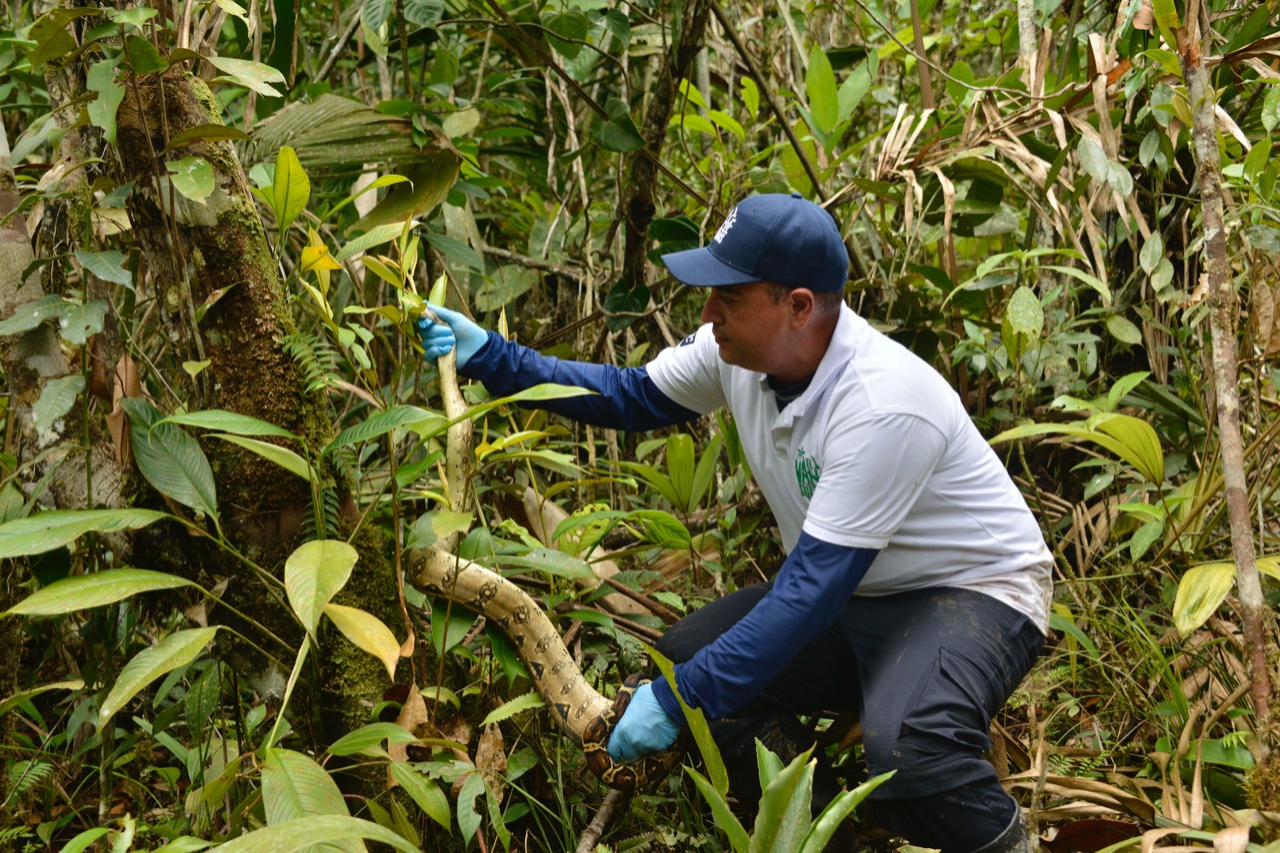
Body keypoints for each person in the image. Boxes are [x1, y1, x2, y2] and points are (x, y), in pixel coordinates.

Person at [417, 192, 1052, 853]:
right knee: (689, 664)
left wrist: (674, 699)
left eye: (729, 296)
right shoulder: (739, 352)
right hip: (857, 593)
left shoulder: (881, 405)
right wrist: (489, 353)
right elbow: (631, 395)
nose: (708, 312)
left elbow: (809, 596)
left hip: (971, 593)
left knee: (911, 751)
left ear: (798, 307)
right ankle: (834, 838)